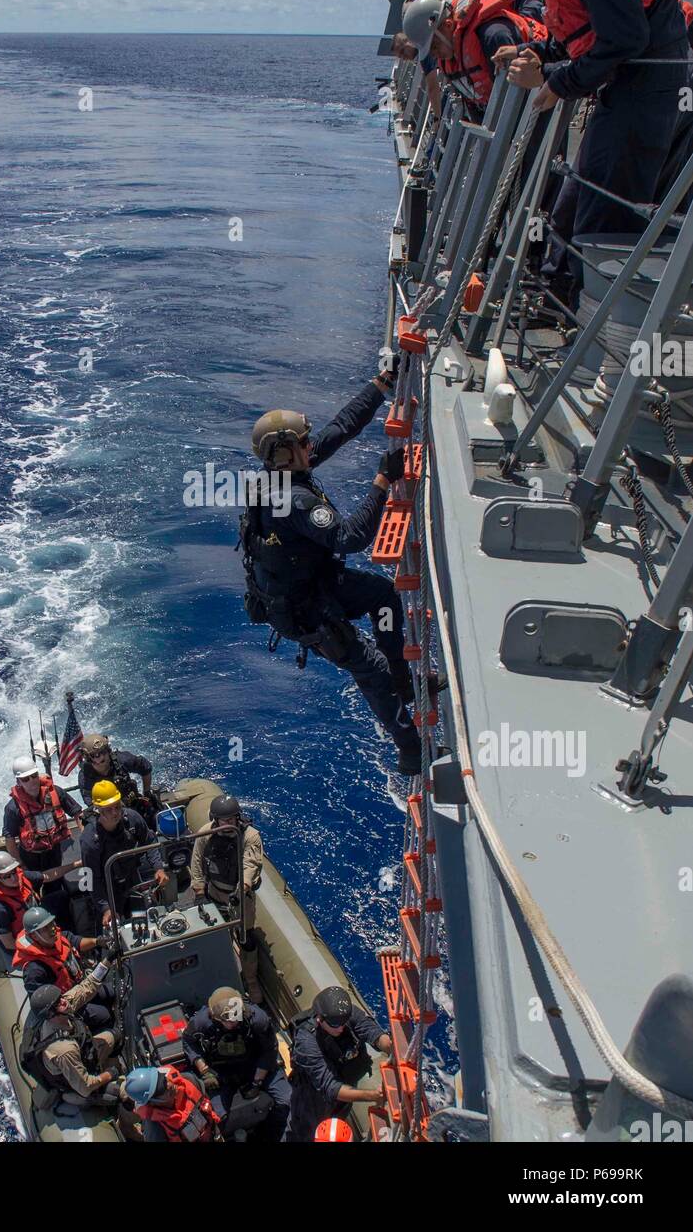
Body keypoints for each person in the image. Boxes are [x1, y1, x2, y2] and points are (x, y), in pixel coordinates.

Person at [486, 0, 688, 261]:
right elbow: (588, 34)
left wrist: (554, 84)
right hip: (631, 89)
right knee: (576, 205)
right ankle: (559, 288)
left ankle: (597, 314)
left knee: (603, 216)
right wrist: (540, 53)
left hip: (644, 93)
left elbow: (625, 39)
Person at [239, 378, 423, 773]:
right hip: (307, 612)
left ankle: (402, 679)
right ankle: (409, 747)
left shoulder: (278, 474)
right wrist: (382, 482)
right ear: (286, 453)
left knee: (384, 597)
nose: (311, 447)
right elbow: (350, 537)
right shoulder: (294, 501)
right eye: (304, 444)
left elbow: (339, 430)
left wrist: (380, 387)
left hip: (310, 585)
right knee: (368, 670)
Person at [402, 0, 547, 114]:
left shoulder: (494, 37)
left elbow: (519, 99)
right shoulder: (452, 53)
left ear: (448, 25)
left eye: (434, 46)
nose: (434, 54)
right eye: (430, 52)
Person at [182, 986, 290, 1142]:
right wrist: (205, 1070)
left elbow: (270, 1049)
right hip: (220, 1072)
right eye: (228, 1021)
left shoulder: (257, 1019)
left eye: (236, 1019)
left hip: (254, 1065)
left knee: (287, 1099)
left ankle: (276, 1134)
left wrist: (257, 1081)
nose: (233, 1023)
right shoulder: (201, 1022)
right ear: (215, 1016)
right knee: (214, 1116)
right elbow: (188, 1042)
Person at [285, 986, 391, 1142]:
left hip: (345, 1084)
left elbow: (373, 1033)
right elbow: (330, 1086)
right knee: (305, 1132)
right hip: (313, 1096)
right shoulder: (306, 1040)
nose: (341, 1028)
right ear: (320, 1019)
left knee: (339, 1117)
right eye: (335, 1025)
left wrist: (392, 1047)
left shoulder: (344, 1015)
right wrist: (374, 1096)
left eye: (344, 1022)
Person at [190, 794, 264, 1002]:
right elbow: (197, 863)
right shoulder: (206, 834)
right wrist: (199, 892)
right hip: (214, 892)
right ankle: (215, 975)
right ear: (215, 819)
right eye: (225, 820)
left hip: (240, 897)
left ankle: (250, 981)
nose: (229, 824)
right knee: (213, 936)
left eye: (232, 819)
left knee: (247, 939)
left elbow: (250, 864)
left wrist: (242, 890)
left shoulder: (250, 836)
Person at [20, 969, 119, 1109]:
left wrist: (106, 962)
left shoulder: (61, 1008)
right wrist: (110, 1074)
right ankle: (81, 1097)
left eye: (60, 997)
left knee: (114, 1036)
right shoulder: (64, 1049)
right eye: (57, 1003)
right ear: (50, 1014)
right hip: (75, 1082)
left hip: (81, 1052)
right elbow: (85, 1086)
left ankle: (104, 1066)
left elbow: (85, 988)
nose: (63, 1001)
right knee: (113, 1095)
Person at [79, 781, 168, 928]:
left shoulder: (132, 819)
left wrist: (158, 867)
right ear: (98, 809)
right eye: (109, 809)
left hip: (132, 877)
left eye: (117, 807)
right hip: (106, 887)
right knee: (114, 929)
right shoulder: (90, 841)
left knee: (145, 921)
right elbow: (91, 878)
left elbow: (149, 840)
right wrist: (105, 908)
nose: (115, 813)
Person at [0, 849, 83, 950]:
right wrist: (44, 945)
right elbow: (9, 943)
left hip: (37, 915)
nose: (14, 879)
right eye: (7, 876)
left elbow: (47, 876)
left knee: (62, 896)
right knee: (63, 940)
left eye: (13, 872)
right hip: (27, 936)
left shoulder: (21, 877)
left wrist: (77, 864)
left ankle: (71, 928)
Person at [12, 905, 103, 1012]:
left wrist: (97, 941)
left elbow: (77, 942)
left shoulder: (60, 938)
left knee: (111, 991)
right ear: (35, 936)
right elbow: (42, 1005)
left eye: (51, 923)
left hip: (84, 986)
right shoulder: (35, 970)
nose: (52, 929)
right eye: (45, 928)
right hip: (69, 1005)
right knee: (104, 1015)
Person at [2, 756, 85, 872]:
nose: (32, 781)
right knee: (33, 884)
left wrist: (86, 836)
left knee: (55, 884)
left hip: (54, 851)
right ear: (18, 782)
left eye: (34, 776)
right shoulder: (13, 808)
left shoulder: (56, 792)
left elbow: (77, 813)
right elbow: (10, 839)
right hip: (30, 857)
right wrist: (20, 864)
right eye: (25, 779)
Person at [77, 734, 159, 827]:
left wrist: (147, 791)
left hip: (133, 805)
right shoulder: (86, 776)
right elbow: (92, 803)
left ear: (108, 750)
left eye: (103, 752)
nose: (100, 757)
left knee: (156, 818)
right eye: (94, 755)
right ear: (88, 758)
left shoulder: (122, 760)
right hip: (109, 815)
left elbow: (145, 767)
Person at [124, 1065, 220, 1143]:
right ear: (153, 1102)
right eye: (161, 1089)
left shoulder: (188, 1080)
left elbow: (208, 1105)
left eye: (163, 1079)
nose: (169, 1085)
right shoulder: (154, 1127)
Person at [389, 31, 442, 118]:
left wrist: (437, 118)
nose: (404, 58)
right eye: (401, 57)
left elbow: (433, 87)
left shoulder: (424, 52)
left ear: (409, 41)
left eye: (403, 51)